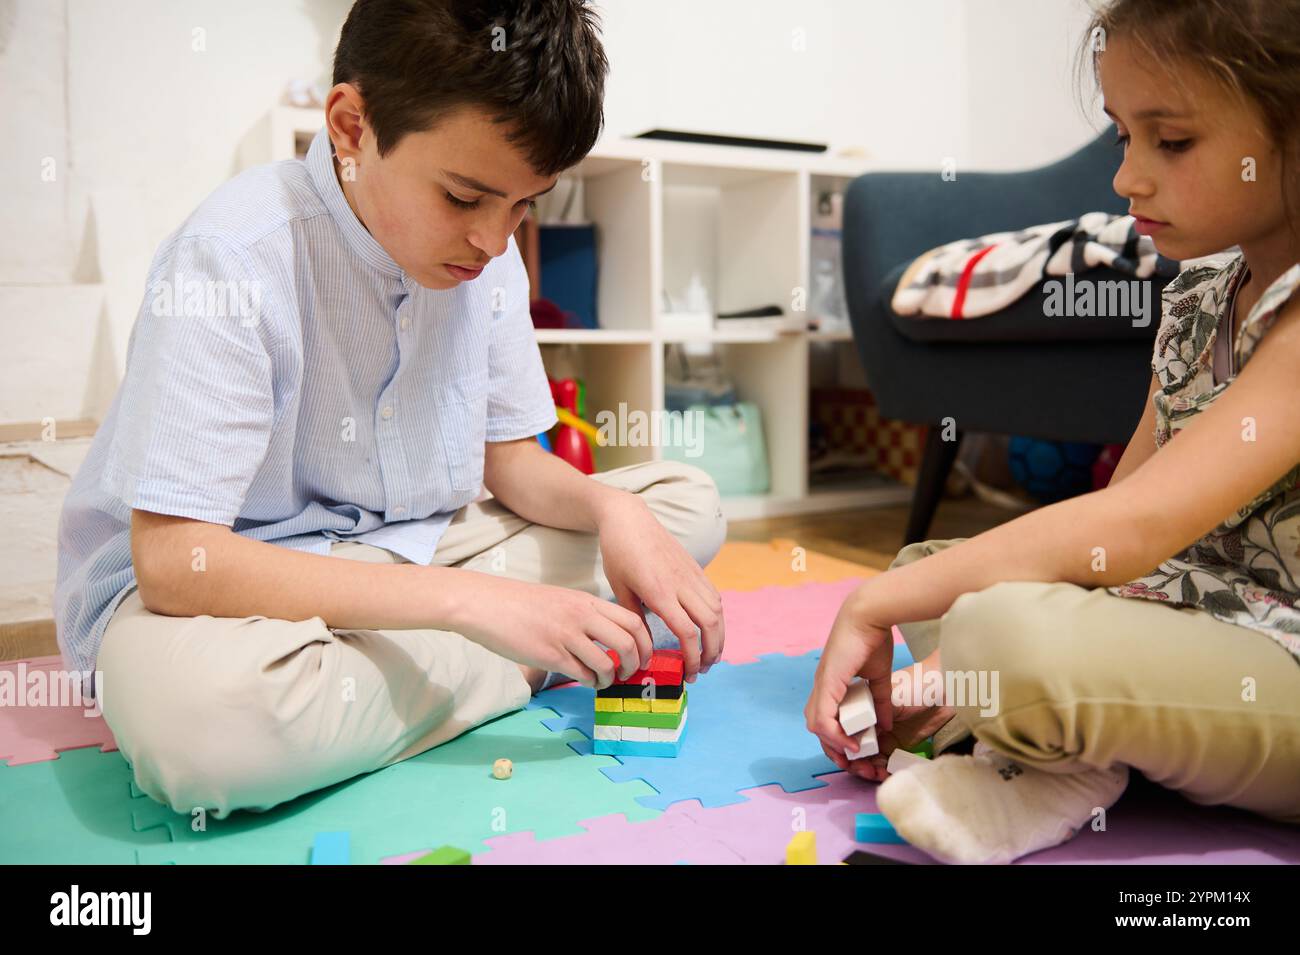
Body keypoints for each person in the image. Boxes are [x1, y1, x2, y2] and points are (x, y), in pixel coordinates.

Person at [54, 0, 726, 820]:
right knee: (205, 727)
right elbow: (174, 561)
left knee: (684, 507)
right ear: (350, 126)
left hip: (415, 548)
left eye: (523, 206)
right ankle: (516, 661)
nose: (492, 241)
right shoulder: (231, 255)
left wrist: (609, 506)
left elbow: (508, 461)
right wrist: (474, 606)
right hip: (228, 595)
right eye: (463, 196)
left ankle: (440, 664)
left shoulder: (491, 252)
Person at [806, 0, 1300, 864]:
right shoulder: (1197, 297)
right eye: (1122, 138)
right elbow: (1124, 524)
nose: (1126, 180)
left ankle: (1053, 758)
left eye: (1171, 142)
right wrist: (949, 644)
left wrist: (889, 614)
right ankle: (1043, 723)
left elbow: (1132, 530)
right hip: (1202, 613)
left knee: (1000, 632)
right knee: (939, 577)